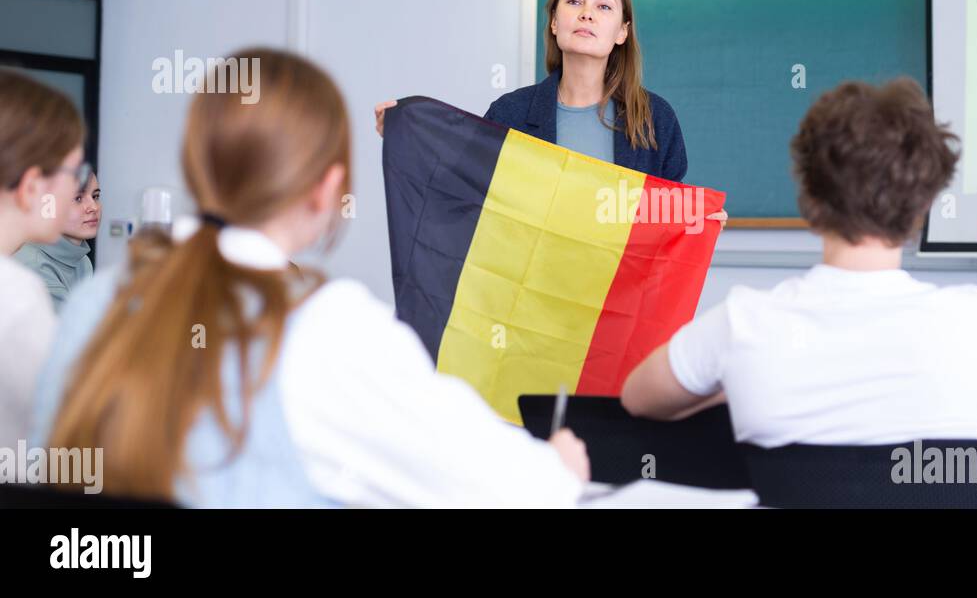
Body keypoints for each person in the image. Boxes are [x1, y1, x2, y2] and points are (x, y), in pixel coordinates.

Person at [31, 48, 589, 507]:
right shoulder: (327, 330)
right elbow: (505, 489)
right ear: (327, 188)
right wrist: (559, 465)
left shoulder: (96, 300)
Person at [620, 78, 977, 458]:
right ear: (922, 206)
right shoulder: (975, 321)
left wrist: (731, 385)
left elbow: (637, 399)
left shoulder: (743, 323)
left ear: (810, 200)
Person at [0, 68, 87, 448]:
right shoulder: (16, 295)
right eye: (75, 173)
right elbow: (70, 418)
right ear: (33, 186)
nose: (79, 192)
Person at [16, 170, 100, 310]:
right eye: (78, 198)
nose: (94, 207)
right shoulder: (35, 267)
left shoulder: (82, 261)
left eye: (95, 196)